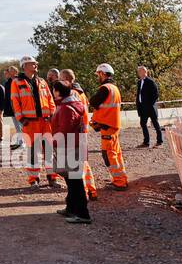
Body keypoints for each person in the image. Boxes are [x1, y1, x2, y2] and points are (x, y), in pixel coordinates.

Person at [8, 57, 58, 187]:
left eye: (35, 63)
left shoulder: (42, 81)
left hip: (45, 122)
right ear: (24, 66)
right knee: (33, 152)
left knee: (48, 150)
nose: (36, 64)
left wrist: (52, 115)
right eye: (33, 63)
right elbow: (15, 102)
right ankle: (33, 179)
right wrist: (22, 119)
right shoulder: (16, 82)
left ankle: (52, 177)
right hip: (30, 123)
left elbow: (50, 99)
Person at [50, 79, 92, 224]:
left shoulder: (67, 108)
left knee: (75, 181)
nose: (53, 92)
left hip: (70, 147)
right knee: (71, 180)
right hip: (71, 146)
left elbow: (64, 130)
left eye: (54, 89)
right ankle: (71, 208)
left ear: (58, 91)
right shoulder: (69, 105)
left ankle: (82, 214)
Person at [58, 69, 98, 201]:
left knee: (76, 166)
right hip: (81, 132)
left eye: (60, 78)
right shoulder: (81, 93)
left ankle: (84, 193)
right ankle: (90, 190)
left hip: (75, 133)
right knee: (82, 163)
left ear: (65, 79)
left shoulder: (72, 93)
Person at [91, 63, 129, 189]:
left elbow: (93, 101)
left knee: (109, 154)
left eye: (98, 74)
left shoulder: (105, 88)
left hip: (107, 126)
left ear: (102, 73)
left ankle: (119, 182)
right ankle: (121, 178)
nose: (98, 77)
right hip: (112, 125)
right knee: (115, 153)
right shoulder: (114, 88)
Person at [134, 65, 163, 147]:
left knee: (155, 124)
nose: (138, 73)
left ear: (144, 72)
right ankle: (146, 142)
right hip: (143, 108)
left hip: (150, 108)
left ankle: (159, 141)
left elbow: (156, 94)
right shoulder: (139, 82)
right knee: (143, 124)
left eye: (140, 71)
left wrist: (150, 104)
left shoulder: (151, 81)